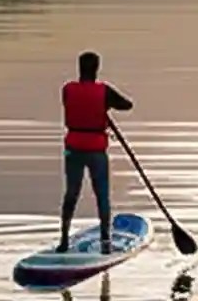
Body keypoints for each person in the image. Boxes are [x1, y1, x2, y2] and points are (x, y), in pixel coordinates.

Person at [56, 50, 133, 254]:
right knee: (102, 196)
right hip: (96, 150)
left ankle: (63, 239)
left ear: (79, 68)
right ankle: (105, 240)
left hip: (73, 148)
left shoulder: (67, 89)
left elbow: (73, 105)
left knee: (71, 193)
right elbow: (127, 105)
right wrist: (105, 105)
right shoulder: (104, 91)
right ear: (97, 69)